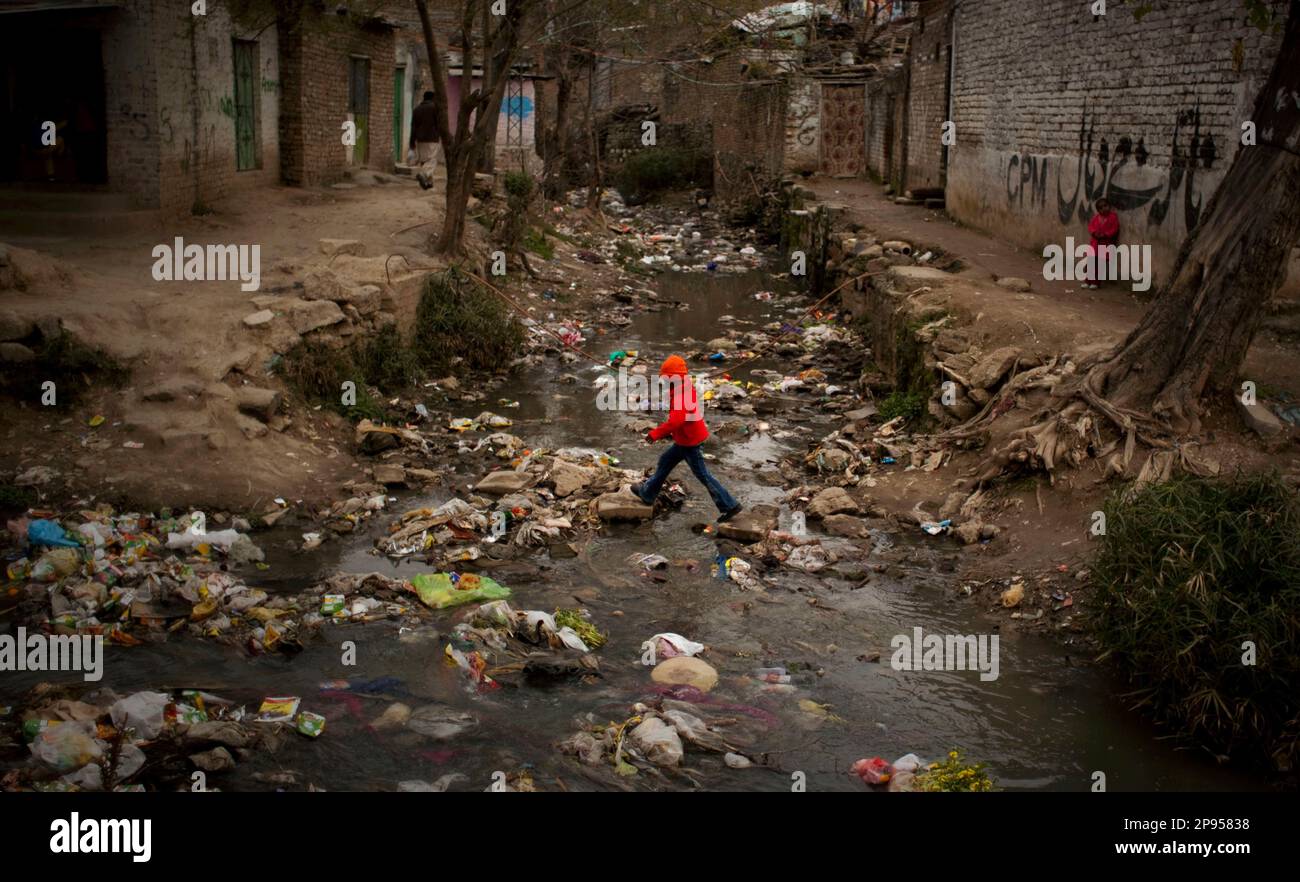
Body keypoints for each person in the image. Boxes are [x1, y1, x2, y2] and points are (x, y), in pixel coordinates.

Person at [632, 355, 743, 522]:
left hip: (690, 441)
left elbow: (676, 421)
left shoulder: (681, 393)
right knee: (665, 462)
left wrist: (654, 434)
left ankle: (730, 505)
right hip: (686, 438)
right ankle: (647, 493)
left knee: (703, 475)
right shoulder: (682, 386)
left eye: (667, 377)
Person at [1083, 197, 1119, 289]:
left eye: (1105, 206)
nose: (1104, 208)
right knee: (1091, 262)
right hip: (1095, 243)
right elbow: (1091, 227)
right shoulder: (1096, 217)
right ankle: (1088, 281)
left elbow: (1114, 229)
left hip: (1105, 244)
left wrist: (1105, 234)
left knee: (1100, 264)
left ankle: (1095, 282)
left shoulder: (1113, 217)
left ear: (1109, 206)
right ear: (1098, 210)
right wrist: (1094, 233)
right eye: (1101, 207)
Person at [409, 90, 441, 190]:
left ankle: (429, 184)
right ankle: (423, 174)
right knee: (431, 160)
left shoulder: (417, 109)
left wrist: (412, 141)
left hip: (420, 139)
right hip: (432, 138)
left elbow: (413, 126)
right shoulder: (435, 108)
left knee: (424, 161)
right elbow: (439, 123)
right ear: (432, 98)